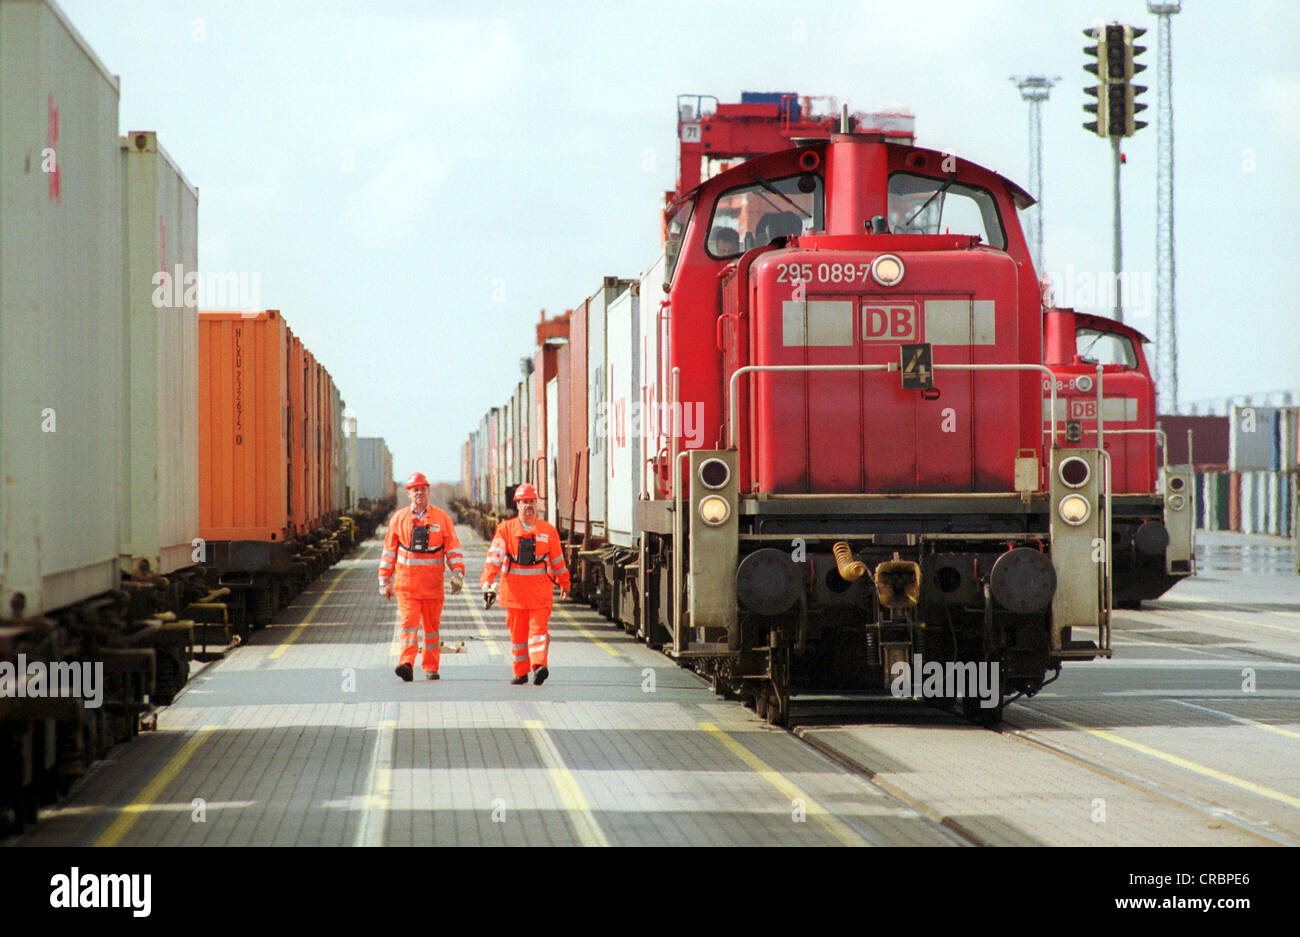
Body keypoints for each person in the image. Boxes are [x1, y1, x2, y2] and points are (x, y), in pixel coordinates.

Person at [480, 483, 570, 685]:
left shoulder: (548, 531)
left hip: (540, 594)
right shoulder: (505, 530)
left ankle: (539, 666)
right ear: (517, 505)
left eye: (531, 501)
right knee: (518, 636)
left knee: (538, 631)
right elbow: (494, 558)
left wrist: (565, 582)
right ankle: (520, 673)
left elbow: (558, 561)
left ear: (536, 504)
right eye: (524, 502)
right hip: (514, 595)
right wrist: (487, 582)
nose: (528, 505)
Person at [380, 472, 465, 681]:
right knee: (408, 625)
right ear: (408, 493)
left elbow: (452, 549)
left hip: (432, 586)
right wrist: (384, 579)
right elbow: (389, 551)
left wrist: (458, 573)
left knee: (431, 629)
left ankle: (431, 667)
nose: (419, 492)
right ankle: (406, 663)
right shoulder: (398, 519)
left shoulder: (441, 519)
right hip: (406, 586)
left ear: (428, 491)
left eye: (422, 489)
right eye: (415, 489)